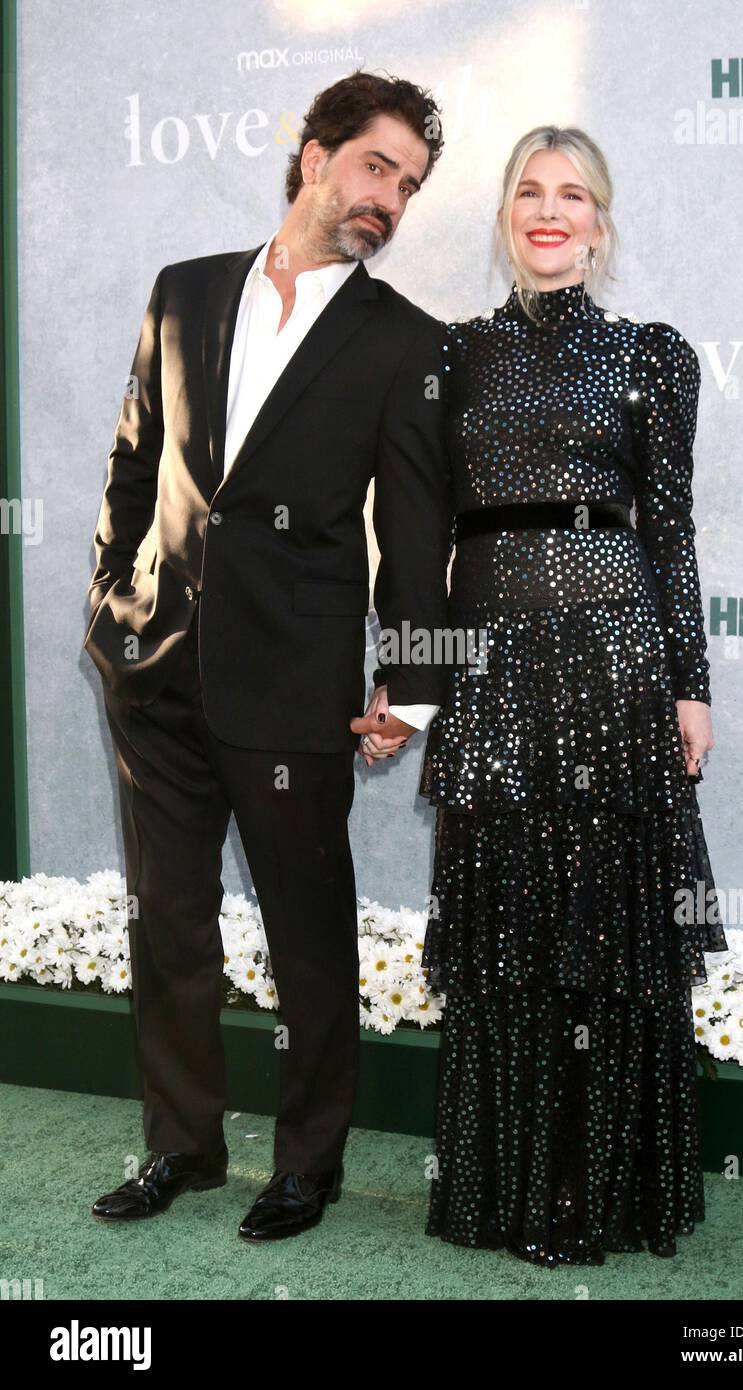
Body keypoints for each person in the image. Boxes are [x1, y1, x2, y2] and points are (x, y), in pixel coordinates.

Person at [83, 70, 451, 1242]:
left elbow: (419, 531)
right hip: (156, 672)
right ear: (312, 157)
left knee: (307, 934)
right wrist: (110, 605)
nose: (387, 198)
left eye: (407, 184)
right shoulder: (183, 292)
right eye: (374, 166)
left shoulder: (406, 344)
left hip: (294, 690)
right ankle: (181, 1149)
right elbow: (134, 461)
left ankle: (307, 1165)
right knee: (168, 922)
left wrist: (418, 684)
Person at [357, 125, 729, 1265]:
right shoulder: (449, 355)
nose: (550, 210)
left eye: (573, 194)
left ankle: (600, 1191)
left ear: (599, 223)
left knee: (607, 933)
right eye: (530, 190)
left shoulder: (651, 355)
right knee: (509, 930)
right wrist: (410, 674)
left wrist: (689, 683)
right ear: (506, 215)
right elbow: (415, 536)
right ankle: (509, 1186)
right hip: (496, 662)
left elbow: (668, 531)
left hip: (617, 666)